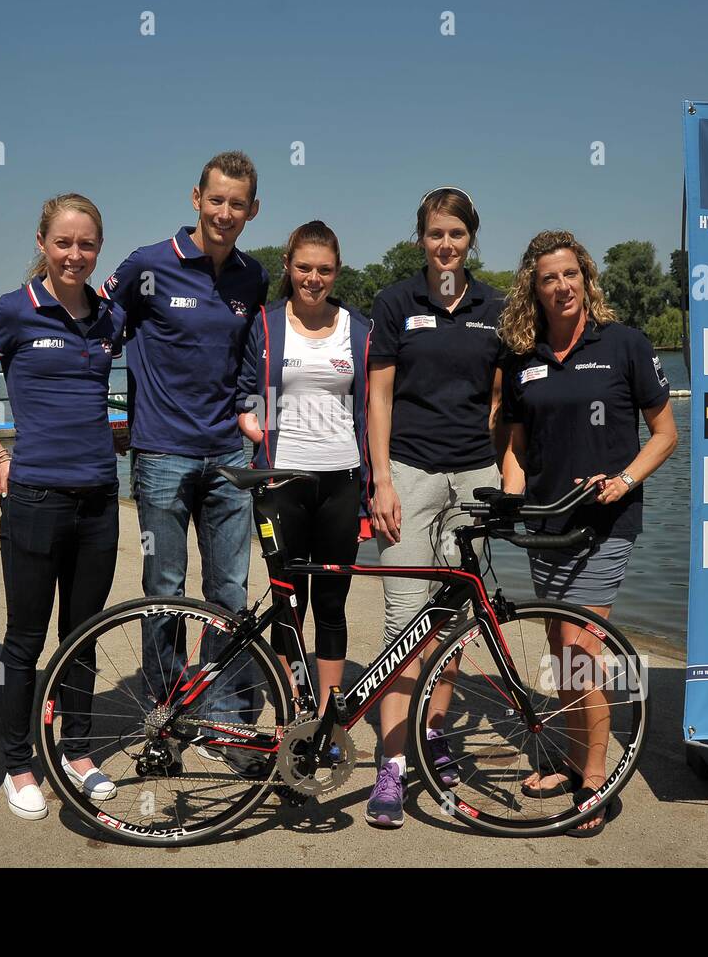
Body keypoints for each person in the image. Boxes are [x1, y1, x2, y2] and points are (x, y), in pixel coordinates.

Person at [497, 229, 677, 836]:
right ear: (534, 288)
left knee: (581, 652)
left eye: (570, 273)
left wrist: (625, 479)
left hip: (604, 522)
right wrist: (509, 495)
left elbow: (664, 434)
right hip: (547, 524)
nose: (562, 285)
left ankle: (596, 782)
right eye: (549, 277)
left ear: (585, 278)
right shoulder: (524, 357)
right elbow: (518, 448)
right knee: (558, 646)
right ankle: (574, 760)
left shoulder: (623, 343)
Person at [0, 193, 124, 821]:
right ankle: (18, 763)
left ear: (97, 248)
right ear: (43, 242)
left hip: (101, 498)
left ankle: (76, 751)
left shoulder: (110, 316)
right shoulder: (13, 312)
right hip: (34, 500)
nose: (75, 254)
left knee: (82, 636)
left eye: (86, 244)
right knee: (24, 640)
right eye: (64, 243)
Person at [102, 152, 269, 743]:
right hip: (162, 454)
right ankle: (165, 712)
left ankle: (224, 714)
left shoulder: (253, 276)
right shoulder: (148, 265)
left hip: (230, 456)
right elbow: (95, 336)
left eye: (238, 203)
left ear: (253, 210)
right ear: (196, 197)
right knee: (165, 590)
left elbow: (253, 365)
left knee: (229, 592)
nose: (225, 212)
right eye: (216, 199)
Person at [365, 187, 507, 828]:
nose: (445, 244)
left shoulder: (496, 307)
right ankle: (391, 766)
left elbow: (502, 399)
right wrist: (381, 481)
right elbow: (380, 397)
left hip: (474, 475)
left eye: (455, 233)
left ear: (471, 237)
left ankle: (434, 735)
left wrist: (504, 473)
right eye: (434, 233)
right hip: (410, 475)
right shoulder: (396, 301)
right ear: (420, 238)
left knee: (450, 627)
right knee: (403, 626)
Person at [236, 221, 372, 716]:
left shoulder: (359, 329)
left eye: (324, 269)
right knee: (288, 603)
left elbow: (370, 408)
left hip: (341, 480)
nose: (313, 278)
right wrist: (258, 427)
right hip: (281, 481)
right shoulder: (266, 323)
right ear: (289, 268)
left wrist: (374, 486)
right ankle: (293, 709)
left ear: (336, 272)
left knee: (332, 604)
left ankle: (329, 711)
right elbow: (247, 388)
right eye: (304, 268)